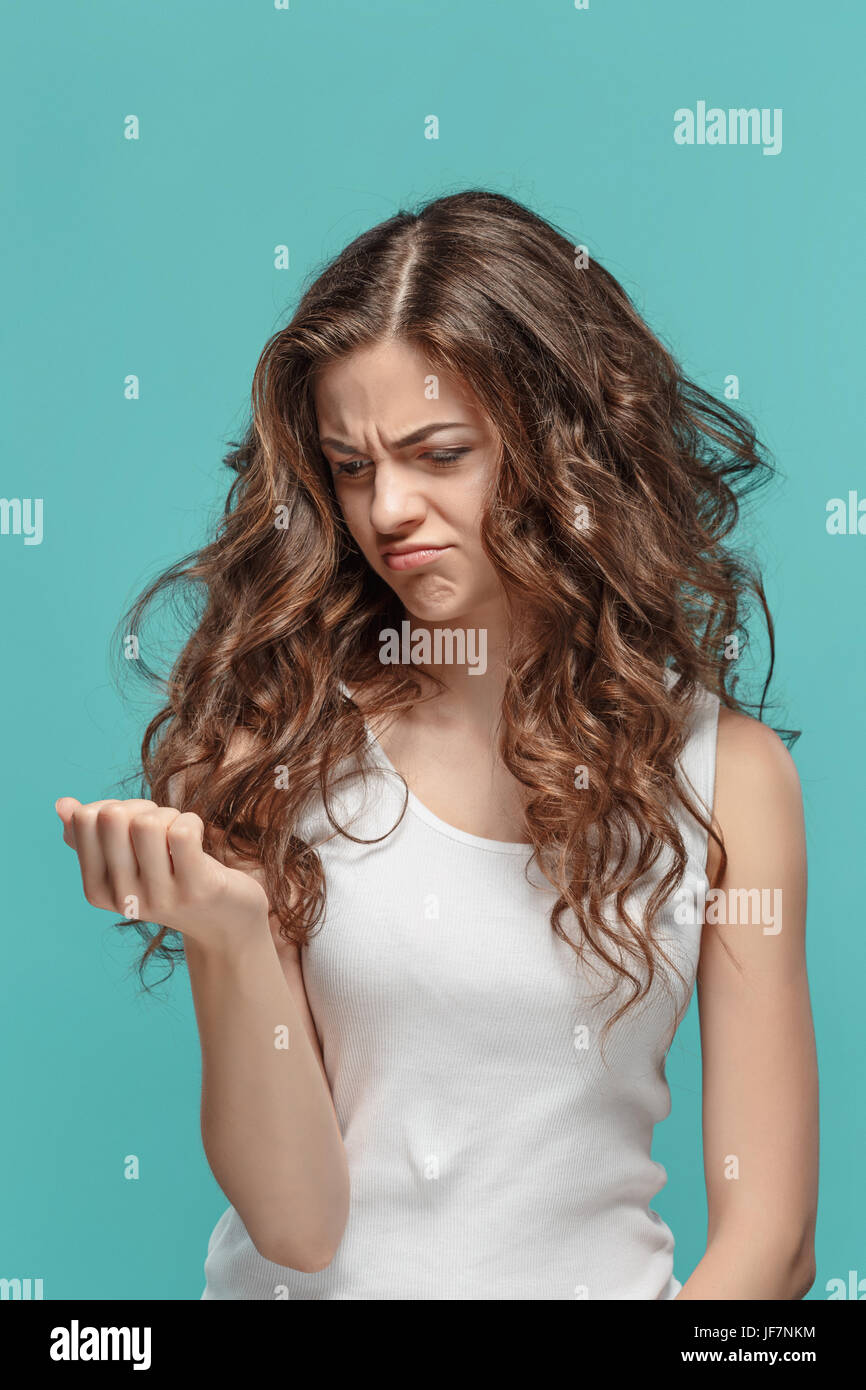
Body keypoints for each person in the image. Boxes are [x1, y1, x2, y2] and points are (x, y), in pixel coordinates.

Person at [55, 189, 818, 1300]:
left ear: (565, 447)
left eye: (437, 452)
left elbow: (772, 1242)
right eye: (351, 466)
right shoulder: (288, 736)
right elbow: (298, 1226)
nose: (387, 508)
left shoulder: (726, 779)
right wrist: (228, 935)